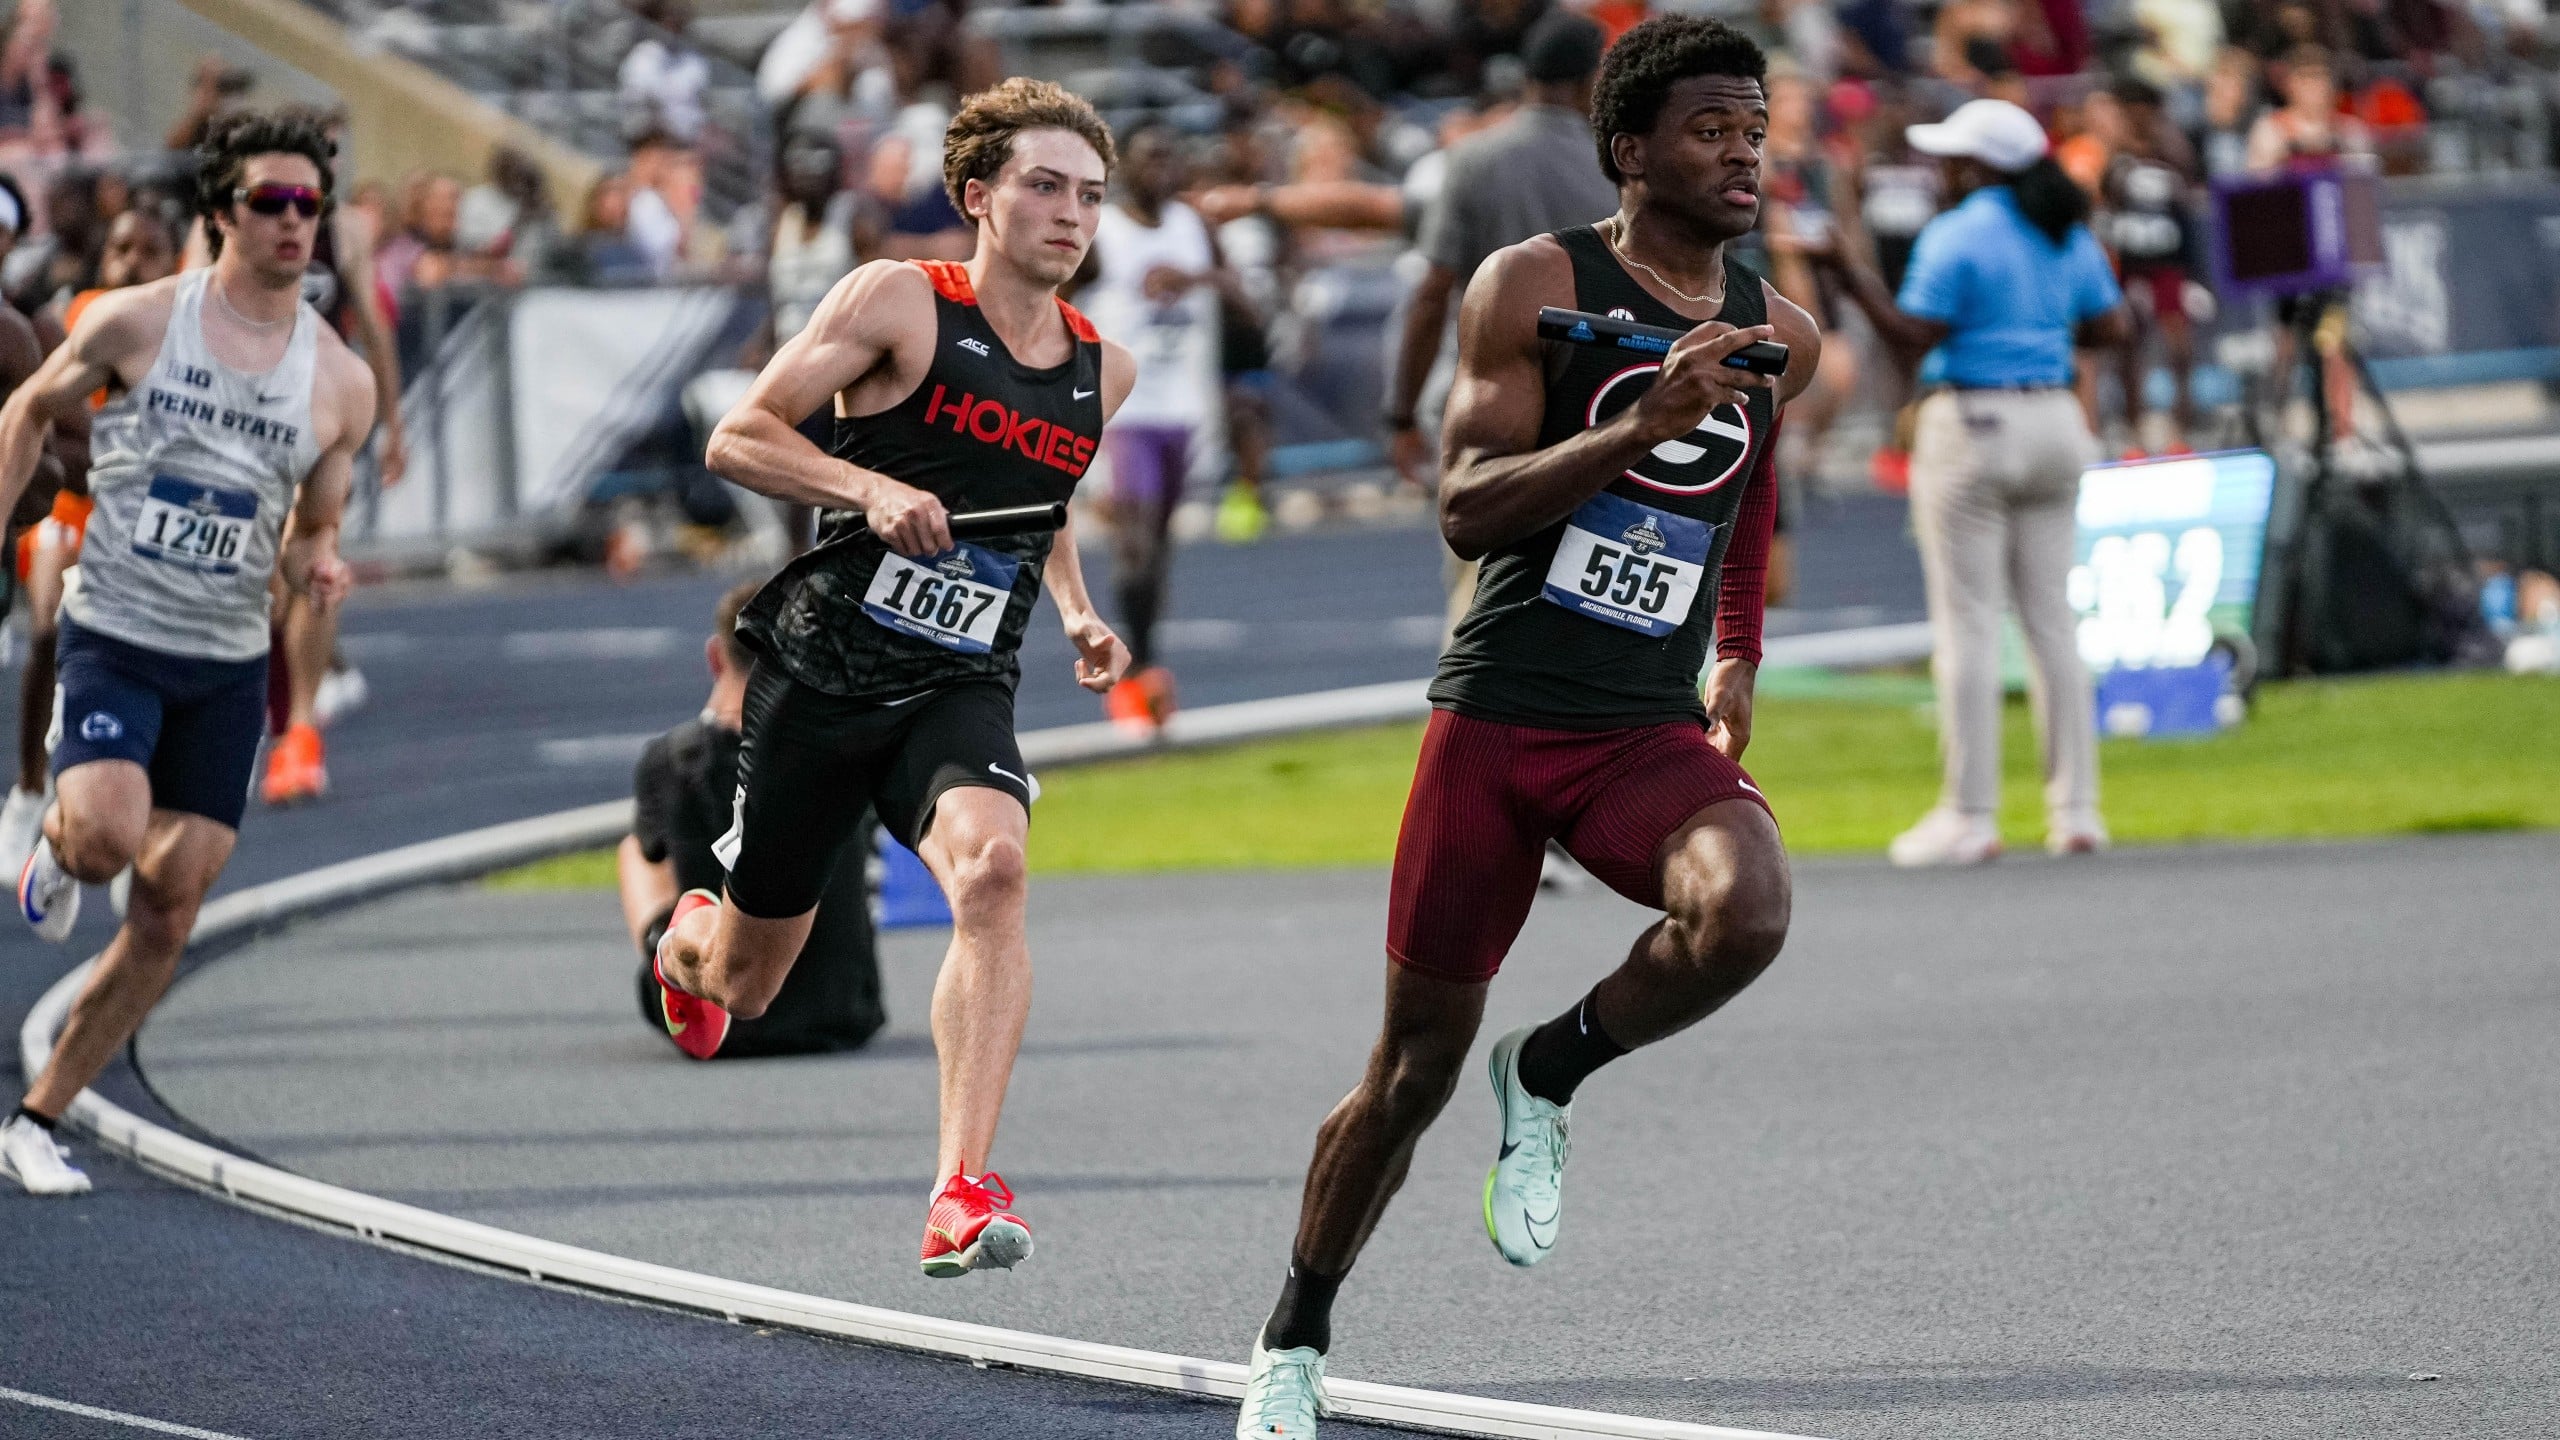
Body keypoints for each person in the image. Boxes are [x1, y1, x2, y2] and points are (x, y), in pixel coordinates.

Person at [1234, 18, 1821, 1434]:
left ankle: (1549, 1070)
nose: (1742, 153)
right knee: (1408, 1077)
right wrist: (1635, 424)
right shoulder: (1535, 283)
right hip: (1501, 721)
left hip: (1639, 727)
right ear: (1631, 147)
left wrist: (1738, 651)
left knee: (1744, 912)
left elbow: (1744, 499)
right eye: (1709, 130)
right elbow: (1467, 505)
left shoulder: (1776, 330)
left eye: (1756, 129)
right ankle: (1292, 1345)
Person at [657, 77, 1133, 1277]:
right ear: (977, 196)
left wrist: (1076, 611)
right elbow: (739, 436)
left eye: (1089, 195)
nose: (1070, 215)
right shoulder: (901, 305)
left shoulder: (1098, 368)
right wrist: (865, 488)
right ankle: (688, 940)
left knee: (996, 869)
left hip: (959, 678)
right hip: (823, 679)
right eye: (1042, 186)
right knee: (748, 988)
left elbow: (1041, 497)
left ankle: (958, 1190)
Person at [0, 106, 374, 1195]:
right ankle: (62, 848)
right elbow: (28, 404)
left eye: (310, 203)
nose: (295, 222)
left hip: (224, 661)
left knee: (169, 909)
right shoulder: (137, 323)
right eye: (272, 201)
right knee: (112, 841)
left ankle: (36, 1116)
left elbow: (318, 523)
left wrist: (320, 564)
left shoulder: (337, 379)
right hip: (117, 626)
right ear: (221, 212)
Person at [1802, 97, 2128, 867]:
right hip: (2055, 415)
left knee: (1970, 624)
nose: (1939, 170)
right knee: (2053, 620)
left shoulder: (1957, 233)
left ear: (1976, 167)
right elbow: (2112, 328)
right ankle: (2076, 809)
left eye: (1951, 158)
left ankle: (1970, 813)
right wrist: (2036, 329)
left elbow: (1913, 338)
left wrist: (1847, 274)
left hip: (1974, 418)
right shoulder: (2063, 230)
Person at [624, 580, 884, 1058]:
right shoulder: (850, 748)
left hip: (725, 1024)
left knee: (638, 849)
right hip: (843, 1014)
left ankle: (667, 948)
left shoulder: (673, 759)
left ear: (715, 657)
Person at [0, 207, 177, 874]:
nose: (133, 260)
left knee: (154, 655)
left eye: (150, 249)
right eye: (122, 248)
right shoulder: (74, 325)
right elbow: (44, 426)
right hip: (78, 503)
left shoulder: (189, 331)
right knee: (48, 627)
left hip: (155, 513)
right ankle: (28, 789)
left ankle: (139, 810)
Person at [1384, 10, 1617, 501]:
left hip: (1487, 403)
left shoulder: (1472, 160)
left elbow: (1431, 295)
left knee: (1485, 567)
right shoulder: (1618, 165)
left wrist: (1402, 414)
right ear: (1592, 79)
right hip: (1594, 406)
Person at [260, 116, 409, 806]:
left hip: (317, 406)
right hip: (243, 408)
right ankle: (266, 702)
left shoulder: (344, 229)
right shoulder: (233, 221)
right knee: (264, 574)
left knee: (315, 555)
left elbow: (374, 327)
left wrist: (393, 424)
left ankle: (300, 730)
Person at [1076, 122, 1231, 730]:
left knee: (1160, 544)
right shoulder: (1105, 232)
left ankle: (1148, 657)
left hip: (1183, 405)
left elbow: (1235, 287)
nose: (1163, 169)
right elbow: (1055, 293)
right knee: (1134, 540)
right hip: (1126, 408)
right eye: (1151, 158)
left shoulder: (1194, 227)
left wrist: (1195, 281)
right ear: (1124, 170)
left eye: (1172, 157)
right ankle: (1135, 671)